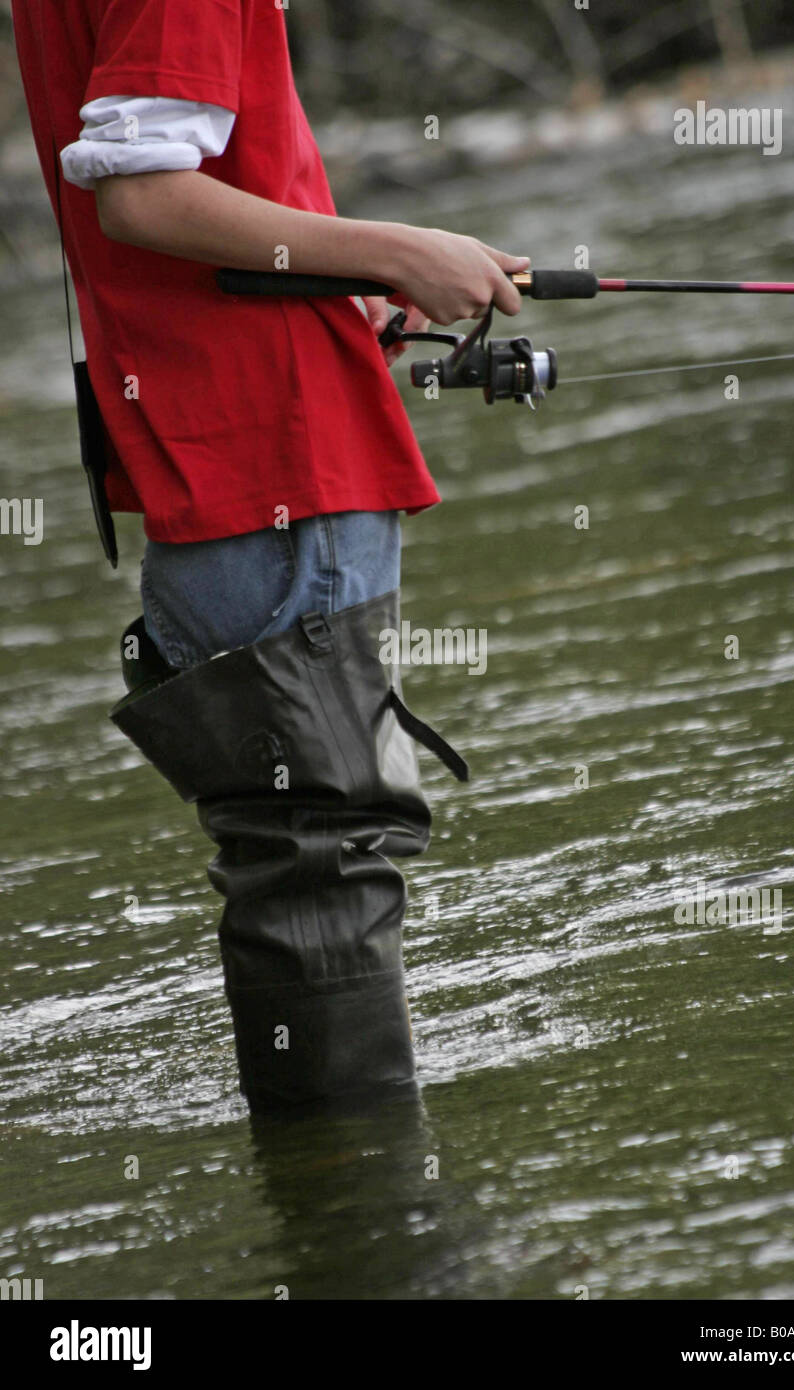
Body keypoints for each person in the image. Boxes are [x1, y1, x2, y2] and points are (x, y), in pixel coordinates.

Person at [12, 0, 529, 1113]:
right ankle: (371, 1243)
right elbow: (144, 194)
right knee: (322, 863)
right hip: (269, 462)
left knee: (296, 859)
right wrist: (398, 246)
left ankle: (330, 1219)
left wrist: (335, 288)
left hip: (217, 451)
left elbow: (171, 187)